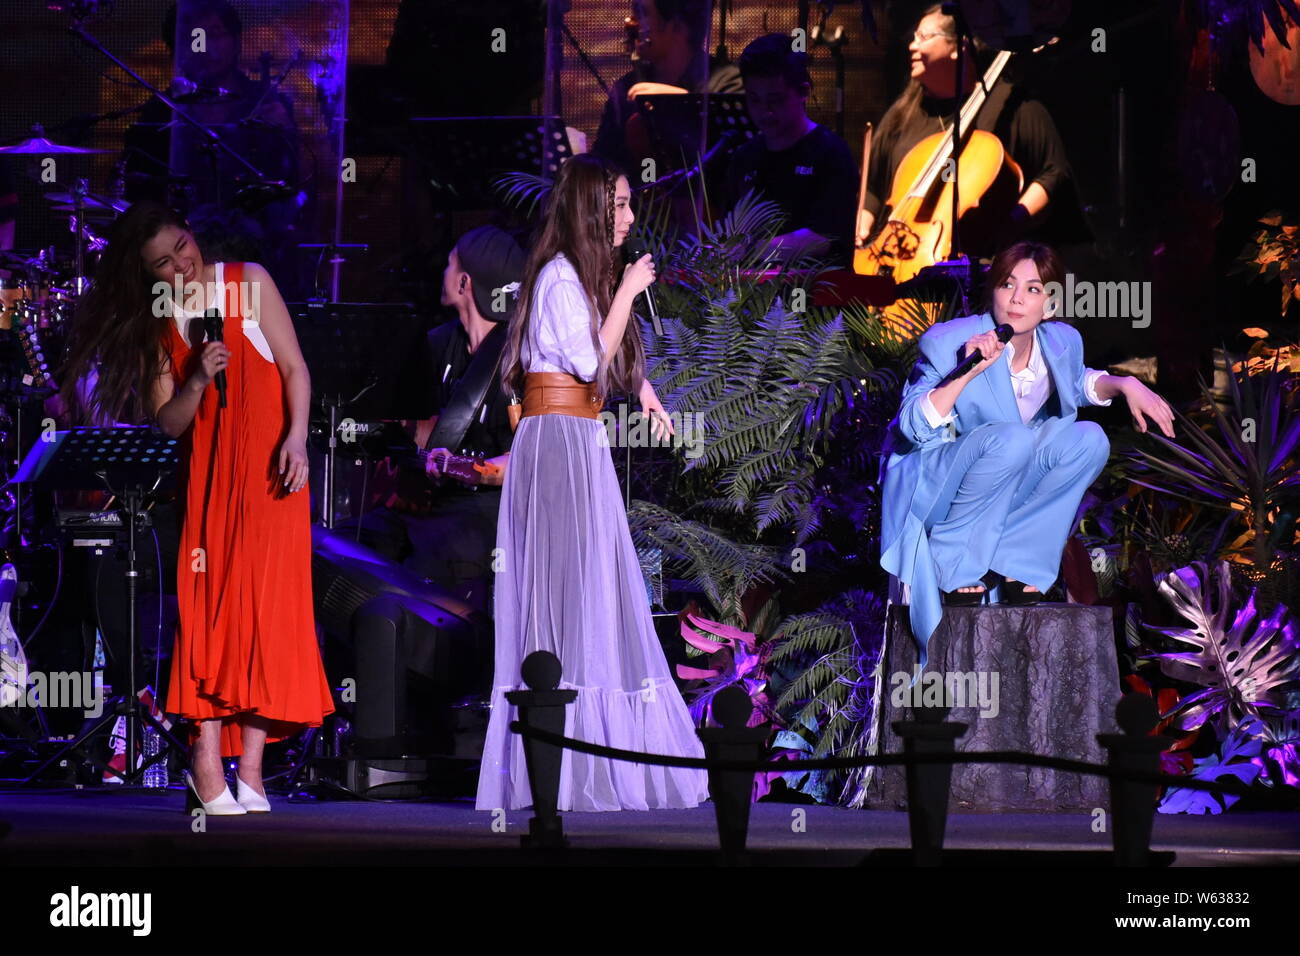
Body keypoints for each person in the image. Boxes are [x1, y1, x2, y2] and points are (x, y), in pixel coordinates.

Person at [59, 201, 333, 815]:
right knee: (208, 610)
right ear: (149, 275)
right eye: (164, 261)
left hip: (272, 474)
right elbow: (168, 423)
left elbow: (295, 368)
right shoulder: (162, 323)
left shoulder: (249, 282)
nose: (183, 262)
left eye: (182, 245)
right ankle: (205, 759)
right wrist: (195, 381)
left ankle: (254, 770)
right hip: (210, 482)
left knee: (268, 611)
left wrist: (297, 437)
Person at [475, 154, 709, 811]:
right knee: (562, 588)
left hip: (580, 439)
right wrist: (632, 289)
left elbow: (608, 358)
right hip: (555, 442)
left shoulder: (580, 279)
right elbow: (584, 359)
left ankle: (586, 756)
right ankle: (557, 757)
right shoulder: (556, 277)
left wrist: (650, 397)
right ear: (590, 210)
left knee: (592, 587)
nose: (631, 217)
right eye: (621, 204)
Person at [878, 241, 1174, 665]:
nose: (1017, 298)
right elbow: (910, 427)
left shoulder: (1061, 341)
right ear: (992, 291)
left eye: (1033, 289)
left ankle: (1019, 562)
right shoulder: (949, 342)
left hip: (1002, 480)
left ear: (1050, 303)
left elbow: (1078, 381)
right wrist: (966, 371)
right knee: (1014, 438)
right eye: (1006, 284)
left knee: (1089, 438)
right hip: (935, 483)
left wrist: (1125, 385)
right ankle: (954, 564)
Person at [350, 225, 525, 616]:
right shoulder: (436, 344)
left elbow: (530, 458)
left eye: (449, 264)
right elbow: (428, 431)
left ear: (464, 282)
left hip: (486, 513)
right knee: (344, 545)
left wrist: (465, 469)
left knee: (418, 570)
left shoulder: (523, 358)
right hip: (430, 504)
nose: (441, 273)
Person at [860, 4, 1085, 255]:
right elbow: (873, 188)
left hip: (975, 258)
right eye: (914, 37)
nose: (912, 45)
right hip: (893, 250)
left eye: (924, 37)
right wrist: (864, 222)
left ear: (959, 46)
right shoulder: (902, 114)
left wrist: (1011, 222)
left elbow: (1054, 172)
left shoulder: (1011, 105)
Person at [724, 33, 859, 266]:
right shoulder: (744, 157)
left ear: (803, 92)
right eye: (754, 100)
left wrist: (749, 252)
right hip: (750, 296)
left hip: (816, 295)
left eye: (775, 100)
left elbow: (822, 238)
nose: (765, 111)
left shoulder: (830, 153)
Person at [592, 0, 743, 179]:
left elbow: (730, 162)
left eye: (643, 13)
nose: (630, 22)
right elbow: (603, 164)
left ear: (678, 26)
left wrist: (677, 103)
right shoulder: (625, 88)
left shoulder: (727, 83)